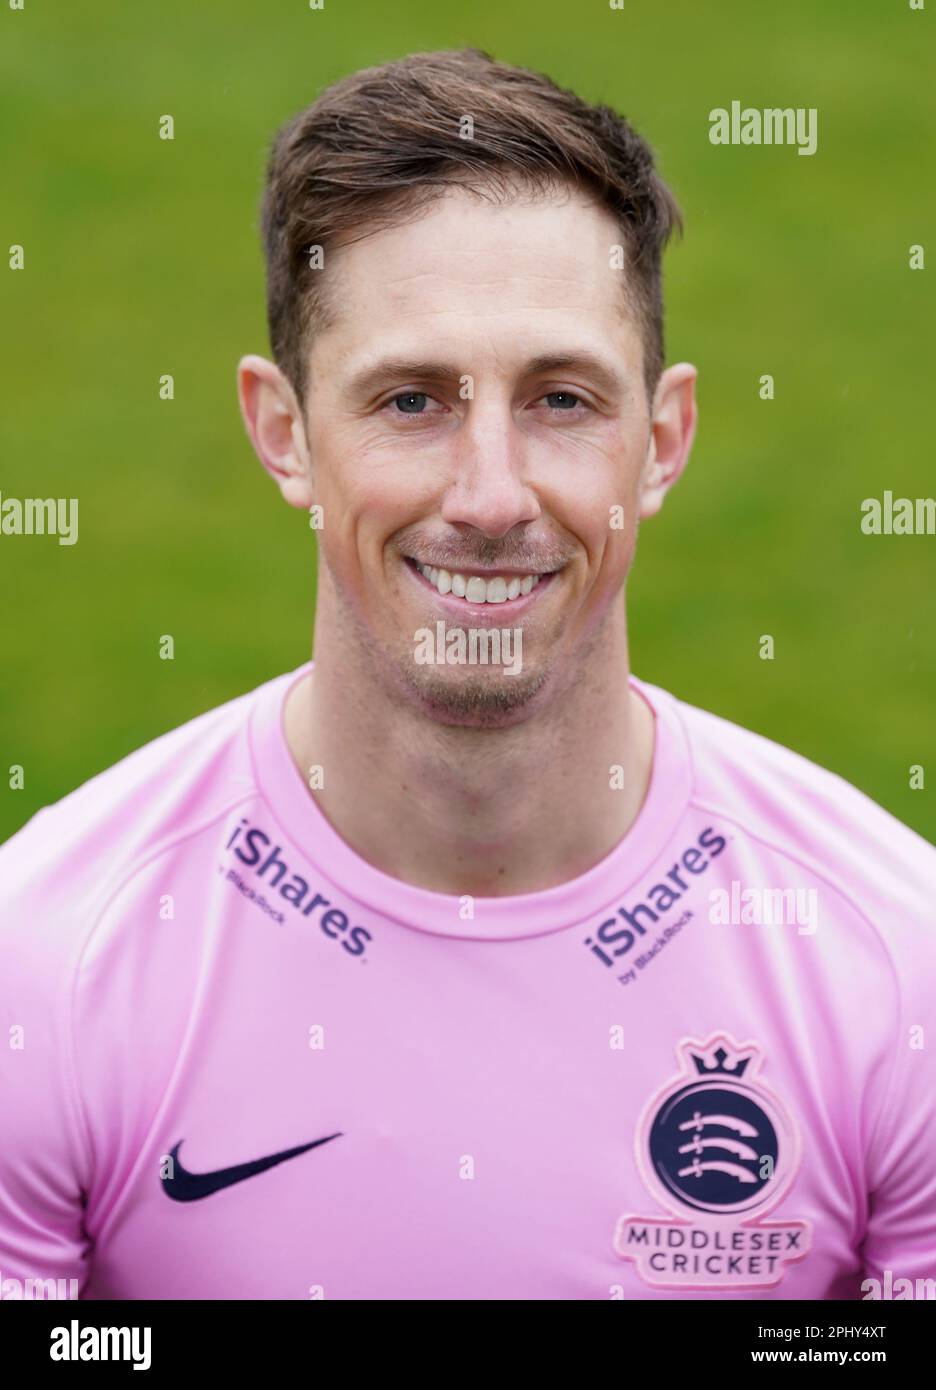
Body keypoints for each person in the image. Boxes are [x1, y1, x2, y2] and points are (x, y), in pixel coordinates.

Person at [1, 49, 933, 1302]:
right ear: (285, 434)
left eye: (559, 399)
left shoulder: (894, 963)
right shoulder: (49, 962)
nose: (490, 498)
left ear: (662, 441)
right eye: (410, 401)